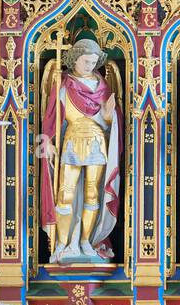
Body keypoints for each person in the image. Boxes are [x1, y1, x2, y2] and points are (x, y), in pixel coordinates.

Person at [37, 39, 121, 263]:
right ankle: (63, 244)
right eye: (86, 61)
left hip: (96, 142)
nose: (90, 66)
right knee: (65, 193)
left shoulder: (101, 85)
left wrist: (108, 115)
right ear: (75, 59)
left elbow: (111, 119)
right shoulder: (63, 83)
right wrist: (48, 140)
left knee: (93, 193)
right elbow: (52, 115)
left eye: (94, 62)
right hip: (73, 141)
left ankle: (86, 241)